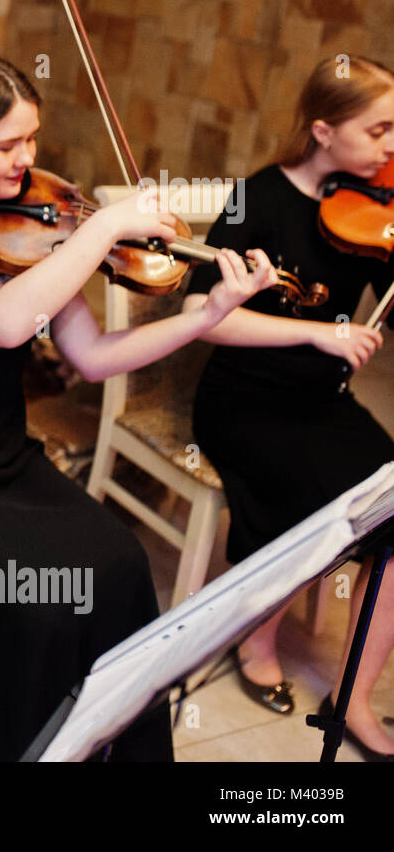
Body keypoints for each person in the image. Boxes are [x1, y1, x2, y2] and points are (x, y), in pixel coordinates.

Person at [0, 52, 277, 761]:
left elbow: (95, 355)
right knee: (34, 600)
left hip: (5, 459)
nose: (27, 158)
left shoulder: (25, 230)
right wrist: (102, 228)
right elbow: (4, 322)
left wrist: (206, 316)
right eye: (7, 144)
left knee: (119, 562)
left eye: (33, 139)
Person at [183, 55, 394, 760]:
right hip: (243, 403)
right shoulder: (258, 199)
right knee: (307, 498)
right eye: (381, 128)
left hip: (320, 403)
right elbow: (201, 315)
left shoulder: (373, 204)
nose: (393, 146)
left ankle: (352, 698)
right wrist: (317, 330)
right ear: (323, 130)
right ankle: (256, 633)